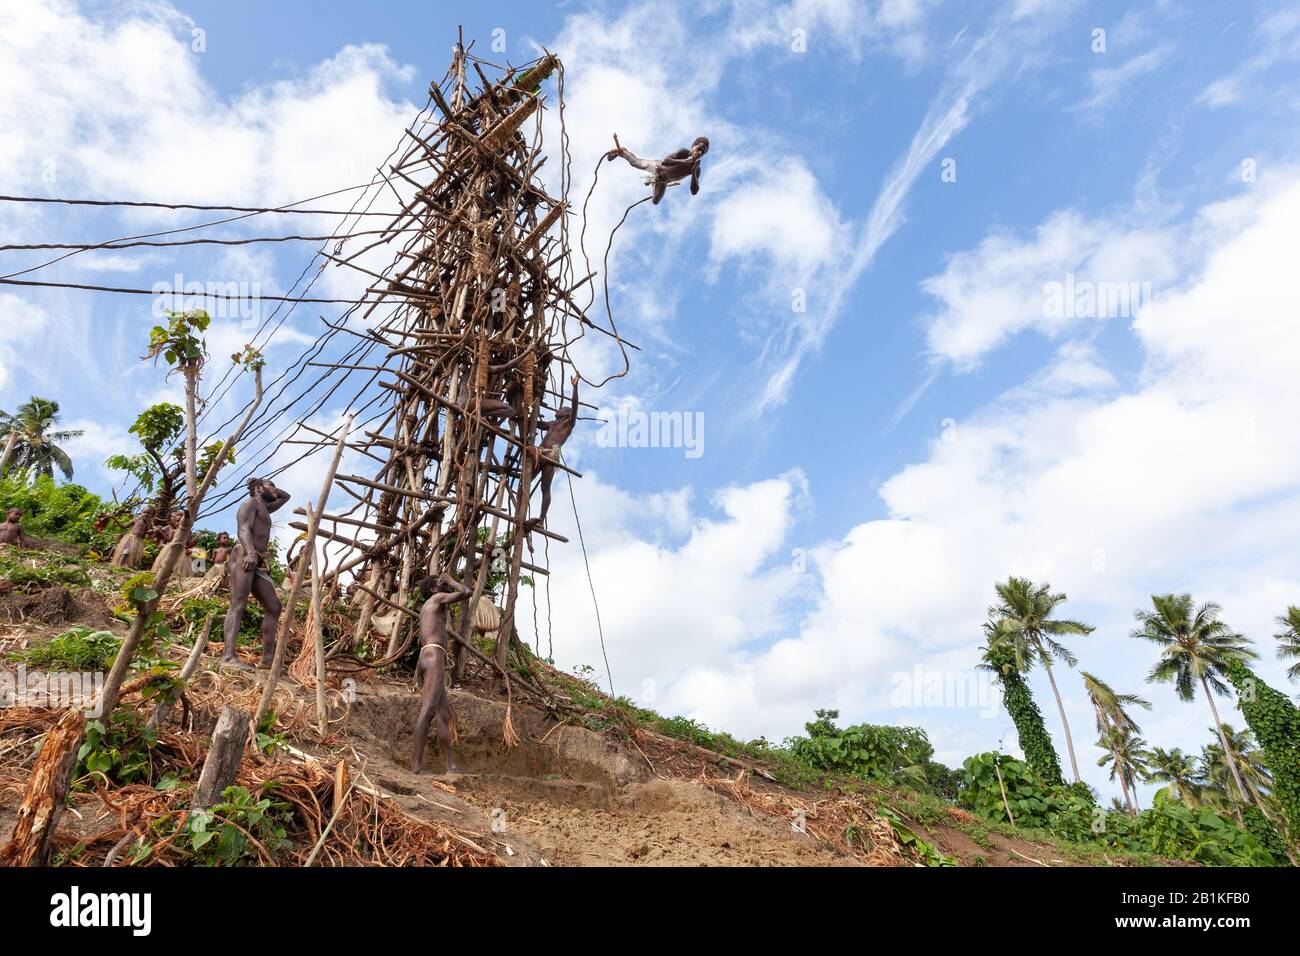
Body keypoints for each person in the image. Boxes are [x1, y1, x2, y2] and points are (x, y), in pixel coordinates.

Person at [221, 478, 291, 670]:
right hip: (244, 555)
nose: (276, 490)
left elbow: (286, 496)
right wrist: (250, 552)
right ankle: (228, 657)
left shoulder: (265, 509)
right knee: (238, 604)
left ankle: (267, 660)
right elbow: (243, 529)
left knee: (274, 606)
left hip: (257, 561)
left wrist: (265, 487)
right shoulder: (249, 504)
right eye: (272, 486)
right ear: (259, 489)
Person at [411, 573, 471, 775]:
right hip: (435, 654)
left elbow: (422, 639)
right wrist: (452, 581)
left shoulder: (427, 608)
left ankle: (451, 766)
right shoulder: (436, 599)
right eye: (440, 583)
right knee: (428, 710)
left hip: (427, 655)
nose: (444, 584)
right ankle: (416, 767)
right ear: (434, 590)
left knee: (443, 714)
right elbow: (466, 592)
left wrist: (419, 670)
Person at [528, 373, 579, 528]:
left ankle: (541, 520)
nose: (558, 409)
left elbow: (575, 407)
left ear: (567, 413)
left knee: (545, 487)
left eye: (562, 408)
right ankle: (521, 509)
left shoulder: (568, 424)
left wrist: (575, 387)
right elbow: (534, 423)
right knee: (526, 479)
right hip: (540, 451)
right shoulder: (551, 424)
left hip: (552, 453)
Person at [606, 135, 710, 204]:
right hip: (656, 167)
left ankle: (651, 180)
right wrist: (684, 162)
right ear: (693, 146)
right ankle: (621, 152)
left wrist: (693, 171)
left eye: (703, 152)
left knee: (655, 201)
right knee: (635, 163)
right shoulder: (684, 152)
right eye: (699, 148)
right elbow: (666, 161)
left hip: (662, 180)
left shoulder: (696, 169)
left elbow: (694, 191)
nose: (700, 152)